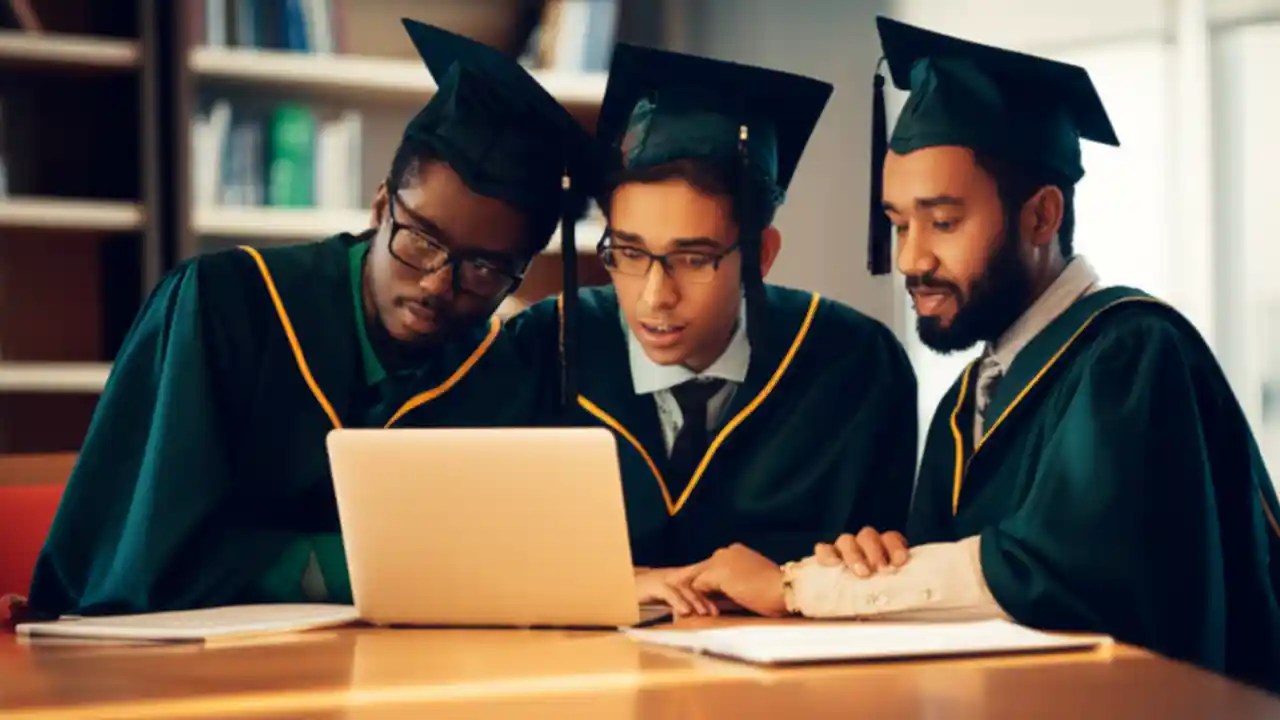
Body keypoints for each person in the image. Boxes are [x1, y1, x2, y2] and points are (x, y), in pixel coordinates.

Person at [684, 17, 1280, 690]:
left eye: (943, 222)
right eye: (898, 223)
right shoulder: (967, 403)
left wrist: (804, 587)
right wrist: (874, 565)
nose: (910, 258)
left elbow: (1053, 578)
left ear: (1041, 217)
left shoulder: (1130, 354)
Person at [26, 20, 600, 616]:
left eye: (482, 269)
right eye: (420, 240)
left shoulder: (497, 371)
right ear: (381, 206)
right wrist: (351, 569)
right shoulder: (226, 308)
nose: (437, 284)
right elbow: (143, 562)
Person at [505, 44, 918, 617]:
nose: (655, 296)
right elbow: (476, 557)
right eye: (627, 252)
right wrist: (605, 584)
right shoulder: (542, 348)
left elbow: (890, 577)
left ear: (761, 256)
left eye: (693, 258)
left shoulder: (856, 368)